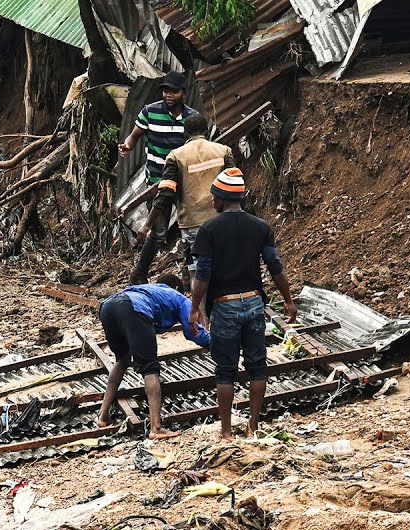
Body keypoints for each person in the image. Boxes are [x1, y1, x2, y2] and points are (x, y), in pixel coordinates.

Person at [189, 168, 297, 440]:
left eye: (214, 196)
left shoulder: (209, 229)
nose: (212, 201)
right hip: (253, 304)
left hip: (224, 306)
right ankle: (253, 428)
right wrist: (287, 299)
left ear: (221, 198)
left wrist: (195, 309)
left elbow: (203, 274)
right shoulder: (260, 227)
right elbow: (275, 266)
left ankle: (226, 432)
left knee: (226, 371)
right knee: (257, 367)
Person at [96, 273, 211, 440]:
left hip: (108, 307)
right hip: (133, 308)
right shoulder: (177, 296)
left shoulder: (148, 290)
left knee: (122, 360)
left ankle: (102, 416)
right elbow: (194, 333)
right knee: (150, 368)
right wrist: (219, 344)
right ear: (177, 288)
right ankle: (156, 428)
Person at [132, 113, 233, 286]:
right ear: (207, 132)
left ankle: (199, 310)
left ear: (185, 134)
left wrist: (148, 224)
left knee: (197, 272)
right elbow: (234, 185)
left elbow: (166, 193)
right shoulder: (223, 151)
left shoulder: (175, 156)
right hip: (222, 220)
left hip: (192, 222)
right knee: (225, 265)